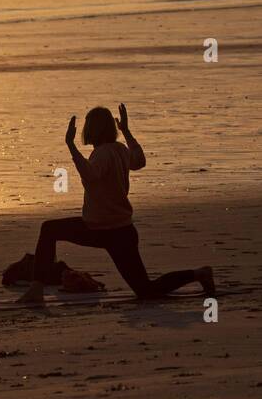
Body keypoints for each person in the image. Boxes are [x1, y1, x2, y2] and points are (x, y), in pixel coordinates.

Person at [19, 104, 214, 303]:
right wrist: (127, 132)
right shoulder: (119, 149)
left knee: (49, 229)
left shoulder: (102, 153)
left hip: (100, 229)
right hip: (122, 231)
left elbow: (90, 174)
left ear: (92, 130)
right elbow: (139, 160)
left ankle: (36, 289)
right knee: (145, 290)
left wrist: (71, 146)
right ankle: (198, 274)